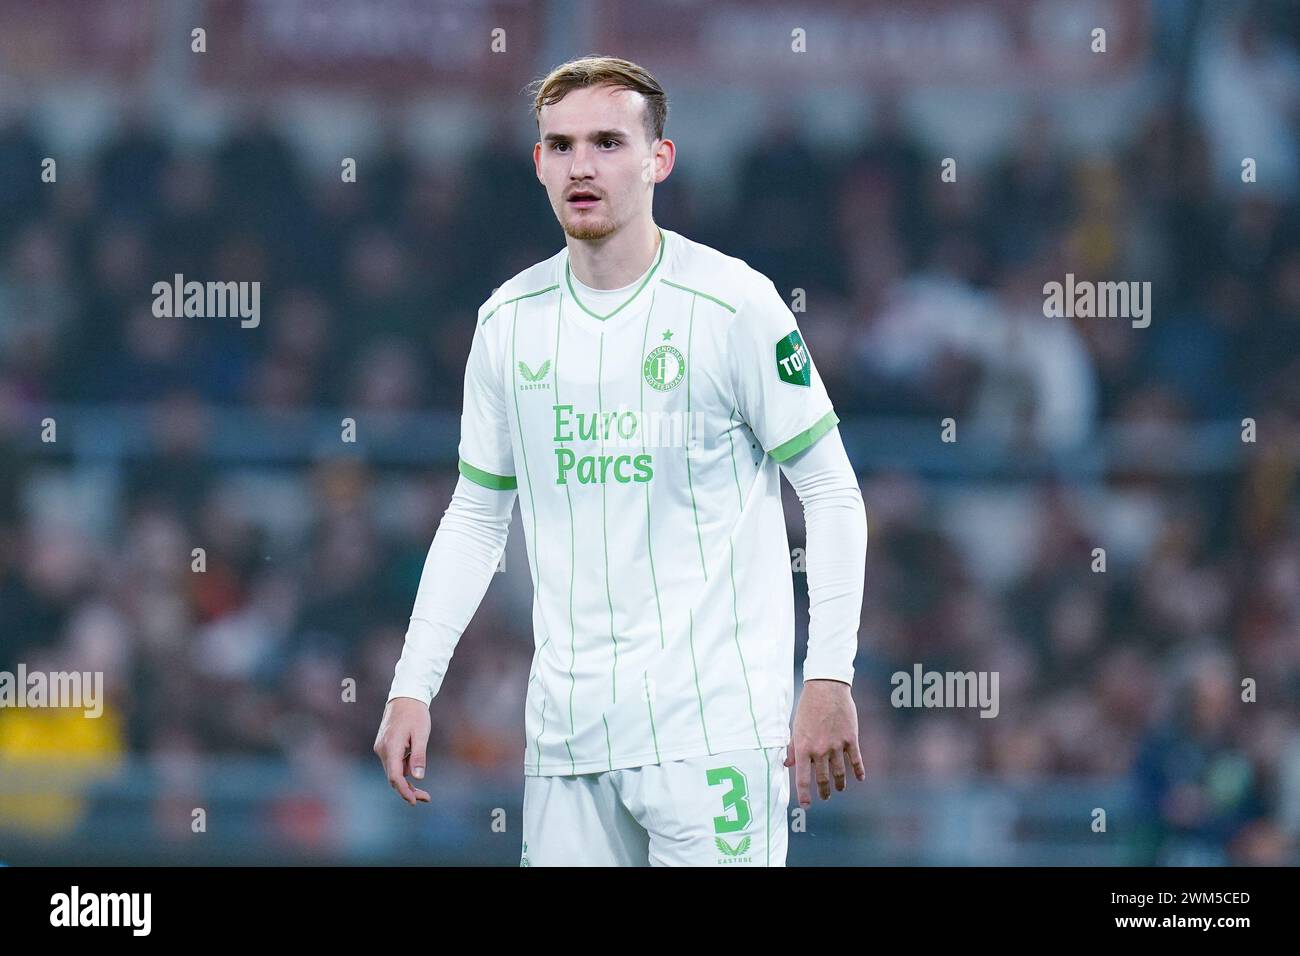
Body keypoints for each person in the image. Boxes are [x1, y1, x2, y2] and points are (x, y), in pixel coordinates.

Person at [374, 55, 868, 866]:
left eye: (607, 142)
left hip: (713, 733)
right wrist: (412, 684)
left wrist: (829, 676)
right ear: (538, 164)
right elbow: (476, 517)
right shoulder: (507, 322)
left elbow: (831, 492)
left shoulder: (734, 305)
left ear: (657, 160)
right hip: (566, 740)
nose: (582, 165)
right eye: (561, 145)